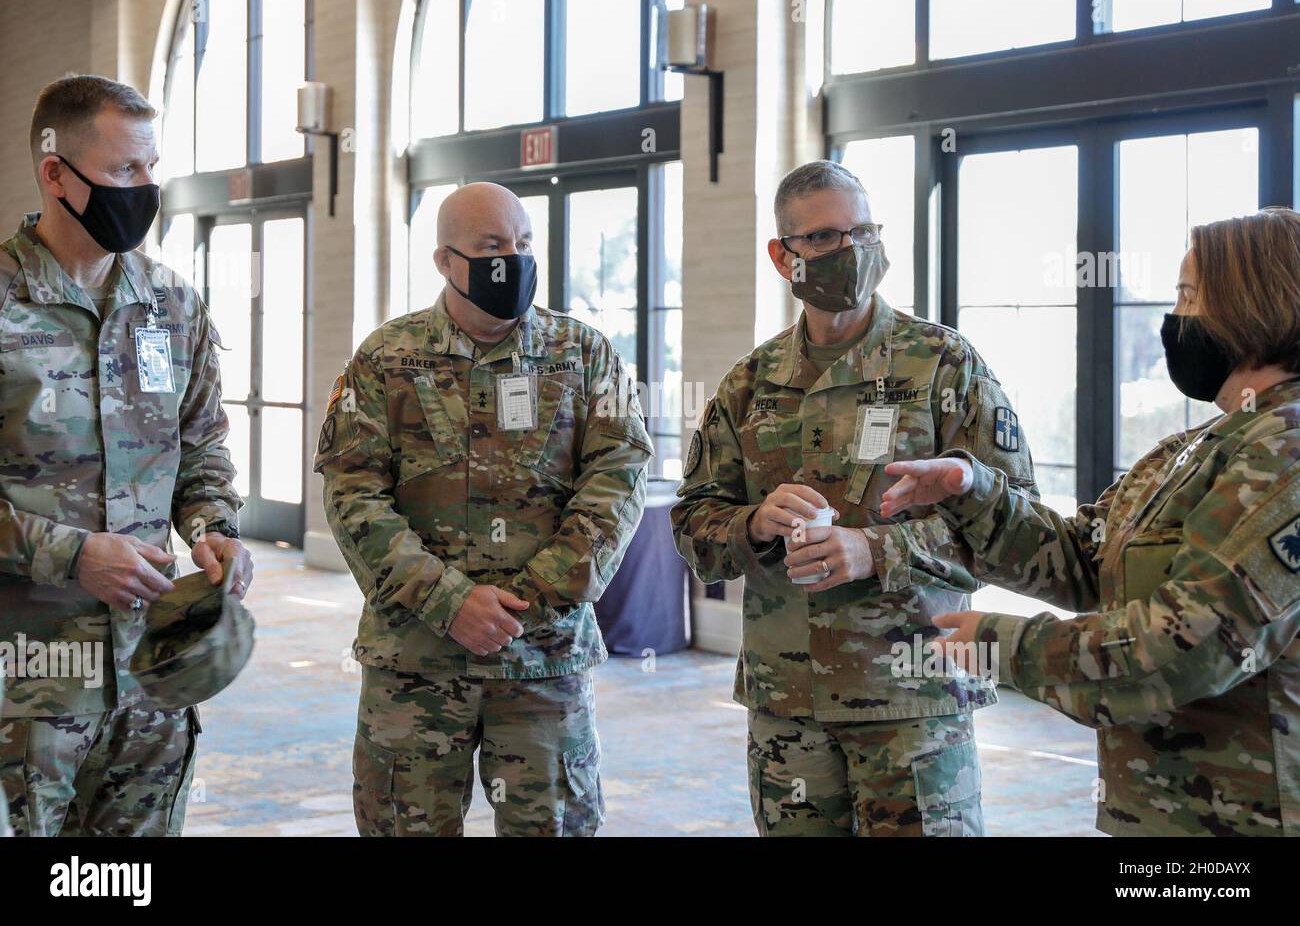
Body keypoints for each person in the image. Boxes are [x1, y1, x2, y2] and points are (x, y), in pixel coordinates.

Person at [884, 207, 1300, 836]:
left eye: (1189, 295)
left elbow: (1195, 645)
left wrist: (1005, 646)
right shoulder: (1203, 445)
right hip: (1167, 815)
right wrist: (973, 492)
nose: (1174, 318)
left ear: (1252, 306)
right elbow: (1085, 560)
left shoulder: (1285, 451)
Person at [671, 160, 1037, 836]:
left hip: (914, 699)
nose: (851, 251)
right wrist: (753, 523)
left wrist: (878, 550)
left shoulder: (942, 365)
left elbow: (1018, 528)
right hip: (790, 707)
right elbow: (694, 526)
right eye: (826, 238)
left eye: (863, 231)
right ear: (785, 258)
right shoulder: (748, 385)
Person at [315, 182, 652, 837]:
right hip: (415, 661)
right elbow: (353, 493)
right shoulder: (388, 359)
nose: (514, 258)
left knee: (552, 826)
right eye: (492, 246)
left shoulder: (581, 354)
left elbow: (618, 480)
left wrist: (529, 601)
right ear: (445, 260)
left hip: (542, 659)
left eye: (523, 243)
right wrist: (449, 602)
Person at [0, 74, 250, 836]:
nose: (146, 189)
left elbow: (201, 444)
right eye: (123, 172)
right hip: (28, 679)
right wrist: (69, 555)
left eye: (151, 168)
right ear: (55, 174)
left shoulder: (170, 304)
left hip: (151, 668)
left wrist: (214, 526)